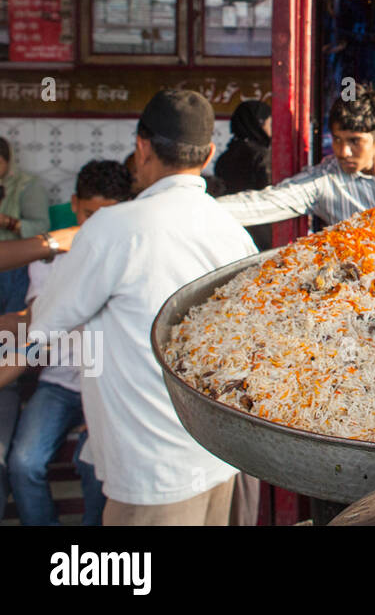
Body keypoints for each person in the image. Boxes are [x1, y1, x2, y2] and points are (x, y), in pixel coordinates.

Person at [0, 89, 256, 524]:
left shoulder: (114, 229)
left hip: (154, 472)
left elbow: (38, 329)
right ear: (209, 153)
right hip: (221, 459)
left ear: (141, 147)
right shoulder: (231, 231)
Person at [6, 160, 132, 526]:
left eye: (108, 216)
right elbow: (34, 327)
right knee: (24, 462)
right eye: (89, 214)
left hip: (110, 384)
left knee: (93, 466)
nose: (95, 227)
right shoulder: (49, 259)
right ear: (75, 204)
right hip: (59, 383)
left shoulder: (128, 257)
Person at [218, 86, 375, 228]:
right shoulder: (323, 182)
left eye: (354, 141)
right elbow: (266, 202)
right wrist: (200, 208)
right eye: (337, 139)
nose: (343, 152)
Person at [213, 100, 274, 249]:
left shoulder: (224, 158)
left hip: (230, 229)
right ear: (259, 123)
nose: (272, 129)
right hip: (261, 231)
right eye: (269, 123)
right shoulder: (263, 157)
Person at [0, 136, 51, 315]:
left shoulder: (27, 186)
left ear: (8, 161)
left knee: (12, 326)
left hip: (17, 266)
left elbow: (41, 229)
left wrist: (7, 222)